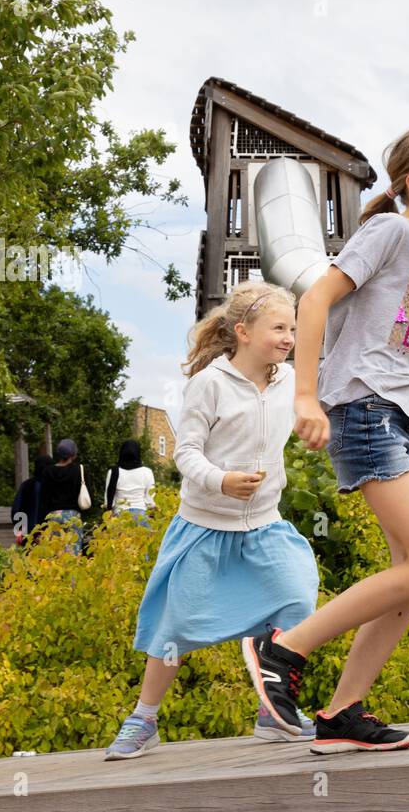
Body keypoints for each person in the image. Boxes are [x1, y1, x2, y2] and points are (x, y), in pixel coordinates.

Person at [245, 124, 409, 754]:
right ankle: (283, 649)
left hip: (398, 417)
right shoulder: (390, 231)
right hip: (365, 412)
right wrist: (305, 397)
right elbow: (315, 302)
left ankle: (341, 713)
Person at [104, 282, 320, 760]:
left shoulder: (291, 379)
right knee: (174, 629)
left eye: (293, 328)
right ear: (242, 332)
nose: (289, 337)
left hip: (264, 525)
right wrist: (221, 481)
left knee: (296, 601)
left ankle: (271, 711)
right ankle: (143, 718)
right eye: (278, 328)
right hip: (205, 525)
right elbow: (186, 452)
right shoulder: (210, 383)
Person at [39, 439, 88, 555]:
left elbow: (44, 500)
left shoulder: (47, 471)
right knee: (73, 554)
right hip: (73, 516)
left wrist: (41, 524)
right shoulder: (79, 470)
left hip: (53, 516)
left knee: (56, 555)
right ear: (74, 454)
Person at [105, 440, 156, 528]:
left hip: (120, 516)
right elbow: (150, 500)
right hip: (141, 515)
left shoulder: (113, 472)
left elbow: (108, 500)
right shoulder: (147, 472)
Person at [10, 454, 52, 548]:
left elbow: (17, 509)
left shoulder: (27, 485)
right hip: (51, 536)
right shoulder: (54, 486)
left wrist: (19, 530)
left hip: (28, 534)